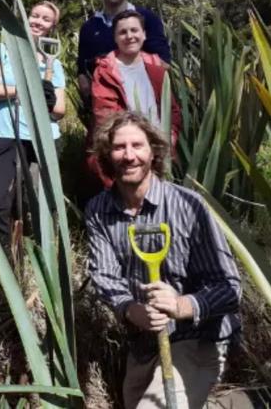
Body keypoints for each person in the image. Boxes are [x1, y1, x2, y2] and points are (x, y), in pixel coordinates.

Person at [84, 112, 241, 409]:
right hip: (144, 344)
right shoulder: (98, 210)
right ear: (107, 155)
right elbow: (104, 275)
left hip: (197, 338)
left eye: (137, 145)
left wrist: (181, 305)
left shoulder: (189, 205)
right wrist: (132, 310)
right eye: (119, 147)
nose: (129, 155)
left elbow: (230, 288)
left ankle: (236, 399)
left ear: (153, 152)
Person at [0, 1, 67, 240]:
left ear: (52, 27)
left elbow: (59, 110)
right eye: (35, 15)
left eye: (46, 19)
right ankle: (4, 253)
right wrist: (28, 91)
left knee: (41, 200)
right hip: (6, 134)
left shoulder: (53, 63)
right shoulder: (2, 50)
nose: (38, 21)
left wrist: (47, 100)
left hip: (44, 138)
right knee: (0, 199)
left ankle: (42, 249)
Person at [88, 11, 182, 187]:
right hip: (128, 154)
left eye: (134, 30)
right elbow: (105, 118)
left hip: (160, 152)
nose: (129, 36)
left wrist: (170, 137)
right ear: (115, 38)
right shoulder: (105, 71)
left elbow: (172, 110)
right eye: (123, 32)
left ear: (144, 34)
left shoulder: (157, 67)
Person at [76, 0, 172, 101]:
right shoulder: (88, 27)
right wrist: (85, 84)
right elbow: (82, 67)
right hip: (103, 103)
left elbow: (163, 62)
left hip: (143, 100)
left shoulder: (147, 18)